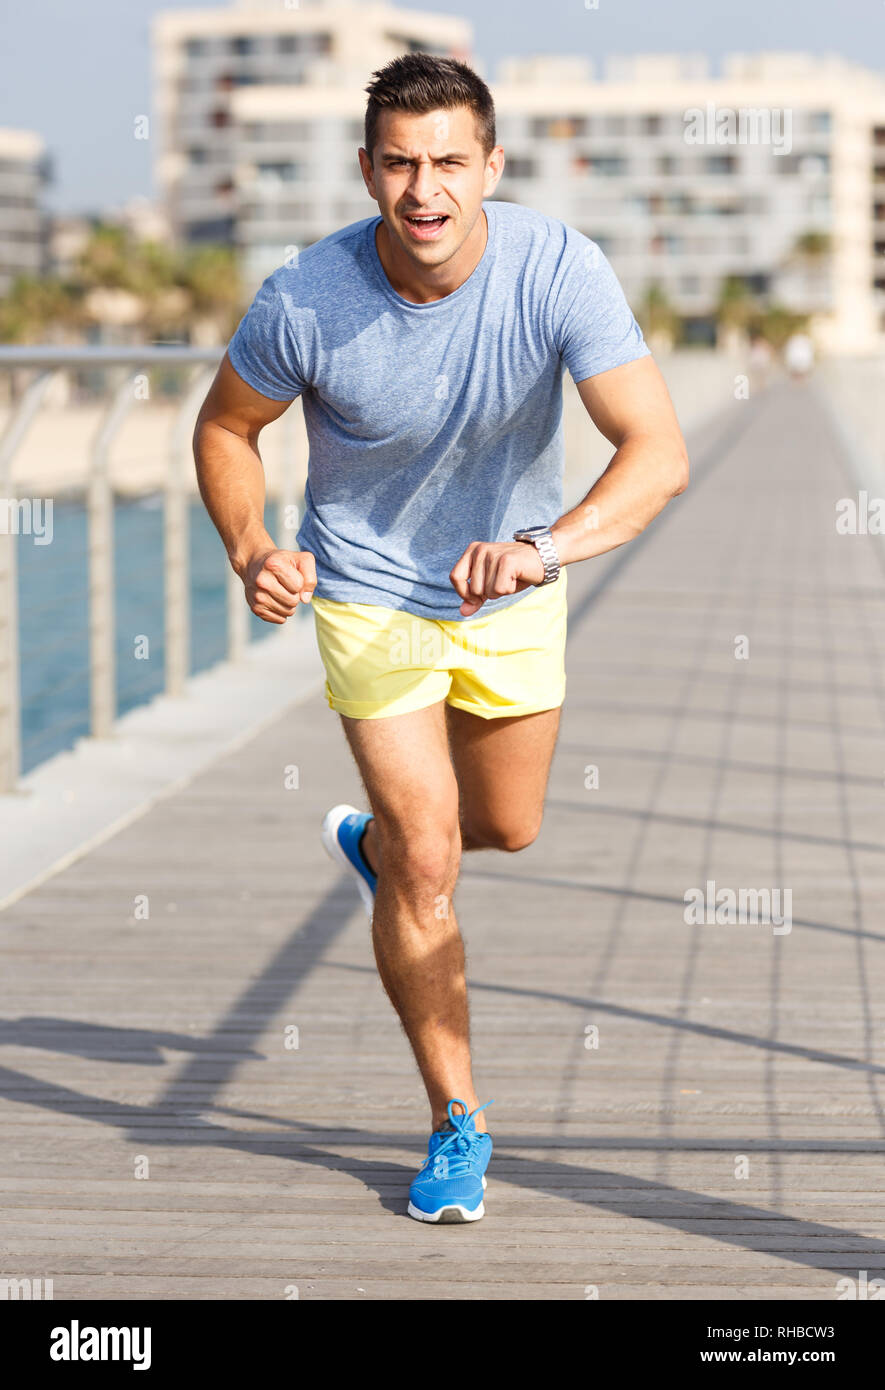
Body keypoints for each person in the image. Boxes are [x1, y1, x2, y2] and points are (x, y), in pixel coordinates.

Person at [193, 53, 689, 1224]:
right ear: (368, 170)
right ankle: (457, 1122)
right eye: (401, 164)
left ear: (491, 167)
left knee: (500, 827)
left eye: (450, 163)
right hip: (368, 592)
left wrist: (545, 548)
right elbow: (225, 427)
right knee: (431, 863)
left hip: (512, 585)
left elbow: (657, 452)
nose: (426, 190)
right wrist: (253, 546)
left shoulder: (557, 267)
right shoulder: (306, 298)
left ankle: (381, 843)